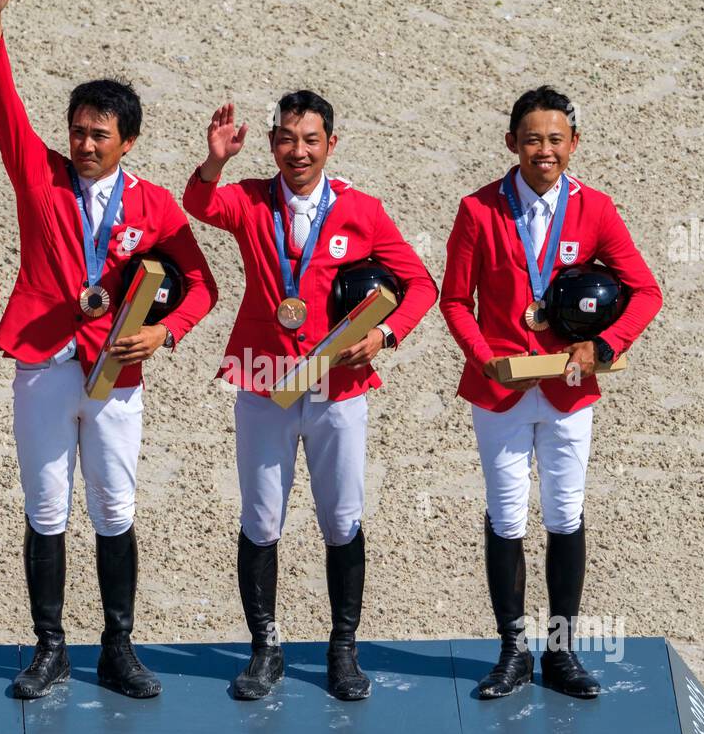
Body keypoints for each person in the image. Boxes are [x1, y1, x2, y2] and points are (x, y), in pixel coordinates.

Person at [0, 0, 218, 699]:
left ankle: (118, 647)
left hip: (117, 372)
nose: (84, 143)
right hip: (43, 362)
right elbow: (5, 106)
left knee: (113, 507)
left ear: (127, 141)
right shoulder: (37, 175)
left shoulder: (156, 206)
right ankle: (49, 648)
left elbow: (201, 285)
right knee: (45, 507)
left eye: (99, 134)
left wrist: (166, 334)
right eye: (77, 130)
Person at [183, 95, 437, 701]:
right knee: (261, 517)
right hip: (264, 378)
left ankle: (342, 649)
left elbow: (421, 285)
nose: (299, 152)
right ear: (272, 142)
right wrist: (214, 161)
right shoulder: (248, 199)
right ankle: (264, 648)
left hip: (339, 386)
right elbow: (197, 204)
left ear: (331, 143)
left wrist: (383, 333)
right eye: (287, 139)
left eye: (311, 140)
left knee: (342, 517)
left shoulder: (361, 211)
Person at [439, 86, 663, 700]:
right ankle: (512, 652)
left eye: (556, 139)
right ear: (512, 142)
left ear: (574, 144)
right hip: (502, 391)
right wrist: (484, 359)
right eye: (532, 139)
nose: (545, 150)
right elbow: (453, 300)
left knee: (564, 514)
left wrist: (606, 346)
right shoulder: (478, 209)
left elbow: (646, 292)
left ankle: (561, 653)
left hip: (568, 386)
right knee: (508, 517)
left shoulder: (595, 209)